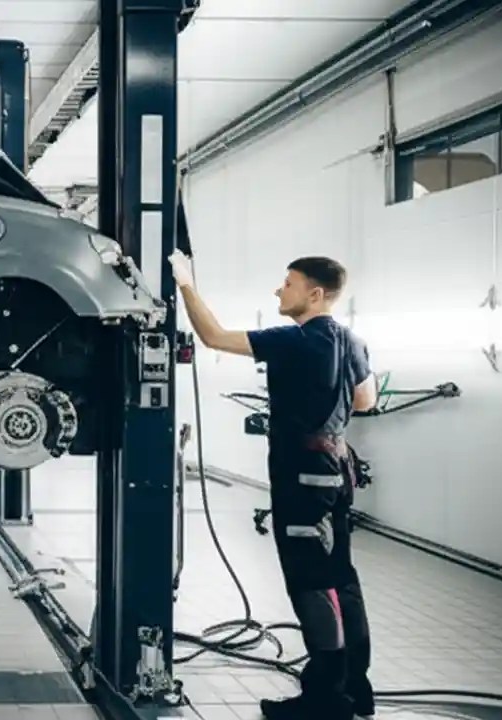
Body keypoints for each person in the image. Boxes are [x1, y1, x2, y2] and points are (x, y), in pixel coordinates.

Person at [168, 250, 378, 720]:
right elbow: (365, 401)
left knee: (311, 582)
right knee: (341, 576)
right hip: (336, 471)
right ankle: (355, 687)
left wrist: (184, 282)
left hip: (302, 479)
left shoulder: (296, 340)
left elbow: (213, 336)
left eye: (288, 283)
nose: (279, 290)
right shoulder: (354, 341)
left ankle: (325, 699)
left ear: (314, 293)